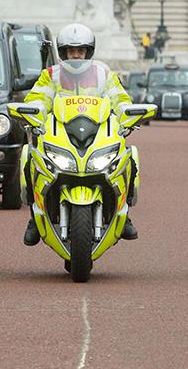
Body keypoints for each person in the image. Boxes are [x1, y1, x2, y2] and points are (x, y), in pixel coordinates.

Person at [20, 22, 138, 246]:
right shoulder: (51, 75)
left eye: (80, 51)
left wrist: (128, 115)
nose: (76, 55)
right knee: (29, 156)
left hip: (97, 132)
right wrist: (32, 113)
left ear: (88, 52)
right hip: (60, 133)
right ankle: (35, 217)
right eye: (72, 51)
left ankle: (124, 211)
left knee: (128, 157)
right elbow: (38, 98)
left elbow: (120, 98)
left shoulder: (104, 74)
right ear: (63, 53)